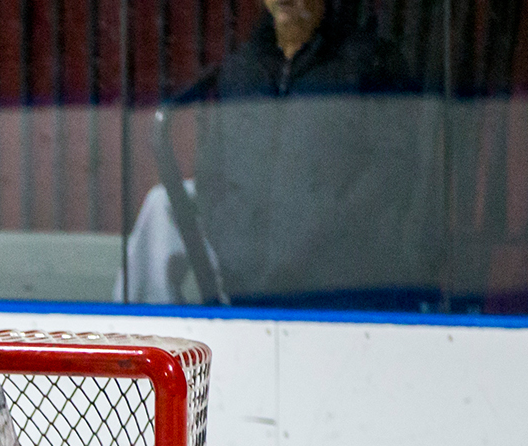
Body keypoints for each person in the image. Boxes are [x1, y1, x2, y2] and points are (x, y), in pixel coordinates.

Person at [134, 0, 442, 309]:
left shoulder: (370, 64)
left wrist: (321, 239)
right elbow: (212, 174)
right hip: (246, 283)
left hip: (336, 292)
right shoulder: (241, 69)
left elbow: (393, 168)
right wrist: (236, 249)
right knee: (162, 206)